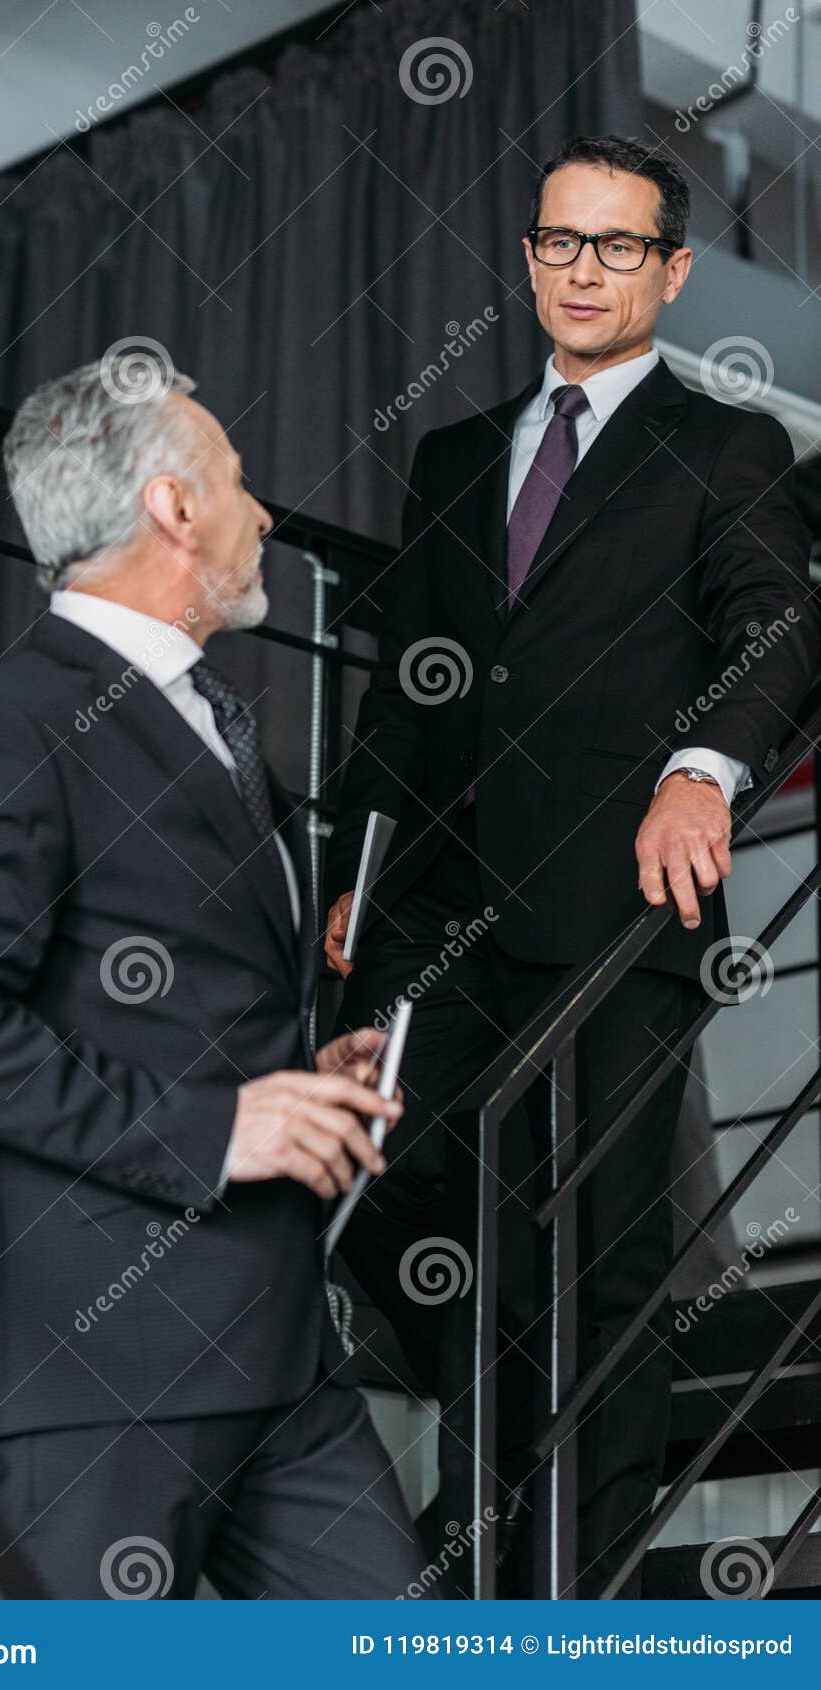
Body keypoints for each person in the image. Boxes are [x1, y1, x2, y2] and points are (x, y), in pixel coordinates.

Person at [322, 134, 817, 1598]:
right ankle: (484, 1535)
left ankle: (568, 1580)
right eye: (558, 242)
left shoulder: (727, 445)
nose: (582, 270)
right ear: (529, 255)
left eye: (617, 246)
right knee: (415, 1215)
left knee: (599, 1261)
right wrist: (366, 847)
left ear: (669, 268)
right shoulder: (457, 453)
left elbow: (782, 628)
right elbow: (408, 682)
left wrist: (697, 769)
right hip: (441, 906)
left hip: (621, 898)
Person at [0, 354, 439, 1600]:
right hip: (103, 1367)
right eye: (236, 481)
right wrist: (222, 1126)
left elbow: (176, 1000)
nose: (265, 512)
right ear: (175, 507)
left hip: (282, 1351)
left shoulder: (211, 719)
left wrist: (298, 1077)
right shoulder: (6, 725)